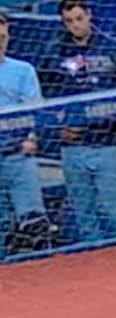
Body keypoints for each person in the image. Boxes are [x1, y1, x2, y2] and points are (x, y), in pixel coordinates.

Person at [39, 0, 116, 244]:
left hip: (108, 143)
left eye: (79, 18)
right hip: (73, 145)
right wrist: (58, 127)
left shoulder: (114, 46)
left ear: (90, 15)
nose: (76, 25)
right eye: (69, 21)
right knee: (84, 215)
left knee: (112, 212)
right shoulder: (53, 51)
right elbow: (42, 98)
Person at [0, 11, 61, 255]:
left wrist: (31, 139)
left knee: (35, 224)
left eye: (3, 36)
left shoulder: (23, 70)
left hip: (17, 156)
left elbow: (35, 109)